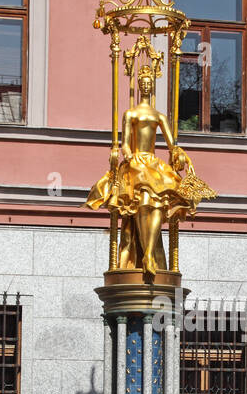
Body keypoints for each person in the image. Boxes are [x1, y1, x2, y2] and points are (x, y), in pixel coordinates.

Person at [86, 64, 214, 277]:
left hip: (152, 165)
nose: (146, 86)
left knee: (156, 203)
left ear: (152, 87)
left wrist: (178, 154)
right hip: (136, 164)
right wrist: (128, 155)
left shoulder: (159, 116)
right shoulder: (130, 113)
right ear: (138, 86)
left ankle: (148, 254)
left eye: (149, 83)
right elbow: (125, 142)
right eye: (143, 83)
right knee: (145, 200)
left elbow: (172, 144)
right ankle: (146, 255)